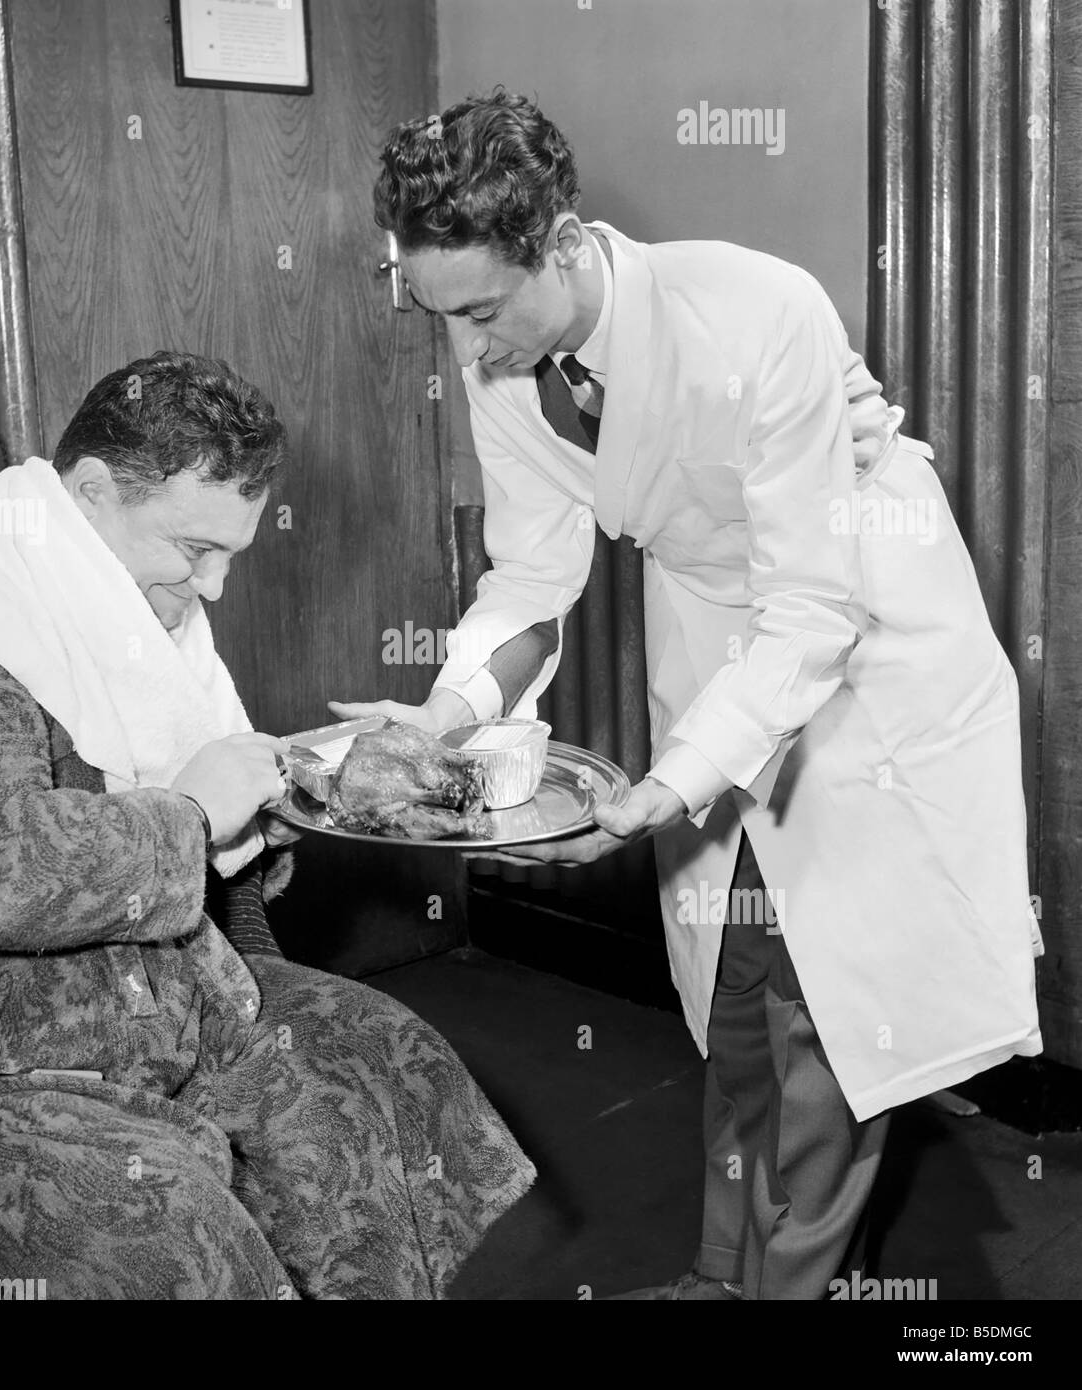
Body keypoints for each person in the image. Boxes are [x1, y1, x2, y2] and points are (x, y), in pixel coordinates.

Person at [334, 91, 1043, 1300]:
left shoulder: (758, 309)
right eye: (439, 310)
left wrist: (664, 788)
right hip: (720, 631)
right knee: (737, 980)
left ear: (562, 242)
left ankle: (787, 1291)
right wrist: (447, 715)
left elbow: (812, 606)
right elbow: (534, 575)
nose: (468, 345)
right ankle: (722, 1276)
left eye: (484, 309)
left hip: (864, 633)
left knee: (830, 1010)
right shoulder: (497, 348)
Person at [0, 349, 534, 1300]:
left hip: (145, 996)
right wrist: (191, 816)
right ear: (93, 492)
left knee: (379, 1061)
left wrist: (265, 819)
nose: (214, 587)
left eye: (231, 554)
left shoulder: (106, 593)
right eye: (194, 549)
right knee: (174, 1233)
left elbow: (175, 819)